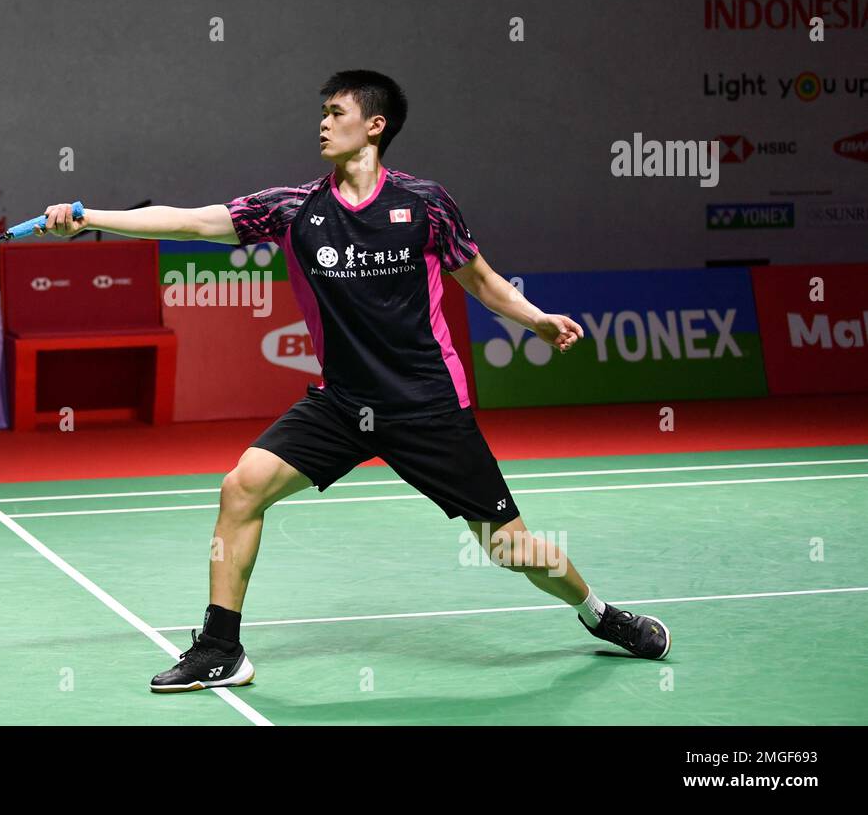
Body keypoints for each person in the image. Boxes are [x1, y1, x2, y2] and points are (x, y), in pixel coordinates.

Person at [39, 70, 672, 693]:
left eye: (336, 112)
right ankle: (219, 649)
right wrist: (90, 215)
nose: (322, 122)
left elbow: (478, 278)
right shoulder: (293, 210)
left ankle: (601, 615)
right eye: (322, 112)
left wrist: (535, 321)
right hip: (344, 403)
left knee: (510, 548)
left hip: (427, 405)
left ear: (375, 125)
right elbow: (195, 223)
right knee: (241, 489)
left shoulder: (424, 203)